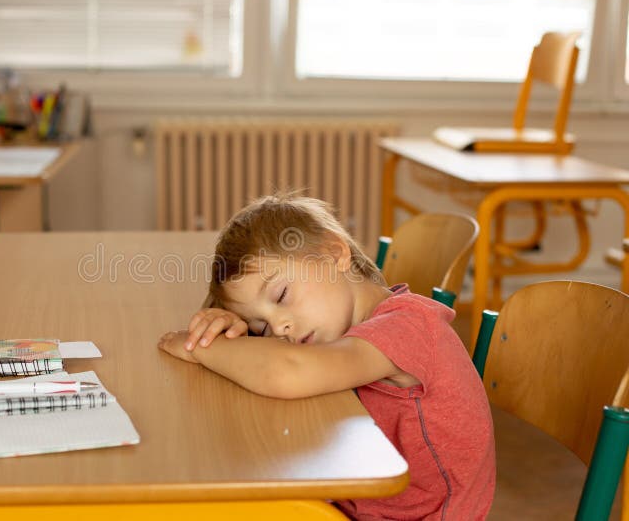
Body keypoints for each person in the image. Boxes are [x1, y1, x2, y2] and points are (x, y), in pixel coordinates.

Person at [158, 193, 495, 520]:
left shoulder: (408, 326)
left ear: (334, 254)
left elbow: (287, 372)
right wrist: (235, 329)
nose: (279, 327)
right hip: (360, 494)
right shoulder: (335, 326)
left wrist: (203, 347)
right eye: (260, 324)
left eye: (282, 294)